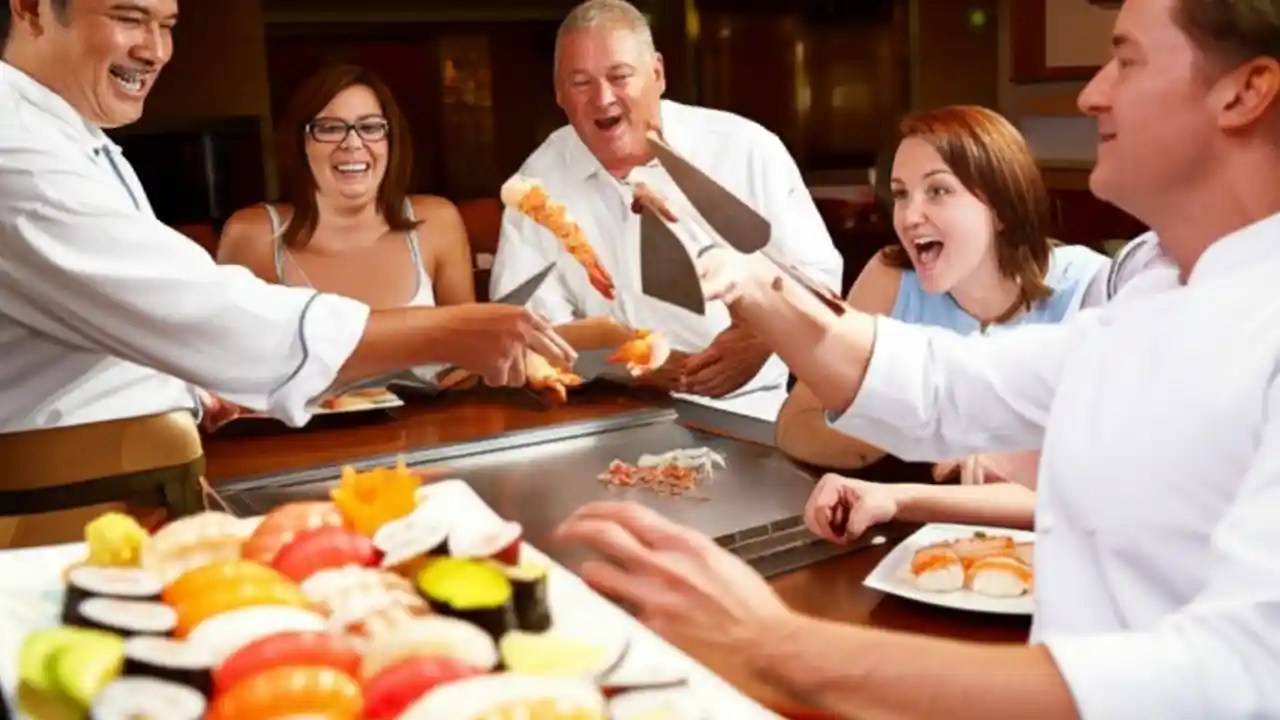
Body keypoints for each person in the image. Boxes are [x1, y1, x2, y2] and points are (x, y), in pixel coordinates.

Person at [554, 1, 1280, 717]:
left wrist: (776, 645)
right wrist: (749, 281)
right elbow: (943, 385)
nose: (1094, 92)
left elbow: (1240, 671)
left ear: (1245, 91)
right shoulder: (1154, 279)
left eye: (1126, 59)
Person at [0, 0, 572, 548]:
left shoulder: (69, 136)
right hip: (56, 514)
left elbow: (121, 318)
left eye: (166, 24)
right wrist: (447, 330)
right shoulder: (16, 148)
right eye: (129, 19)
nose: (155, 50)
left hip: (120, 496)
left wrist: (188, 384)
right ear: (29, 8)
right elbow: (207, 314)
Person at [489, 0, 843, 421]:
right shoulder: (538, 183)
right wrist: (622, 362)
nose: (603, 99)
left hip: (756, 413)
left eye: (619, 76)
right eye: (580, 82)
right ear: (559, 93)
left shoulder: (746, 149)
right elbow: (528, 334)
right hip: (609, 414)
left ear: (657, 73)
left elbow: (821, 281)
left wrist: (761, 338)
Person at [776, 105, 1110, 488]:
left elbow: (1111, 467)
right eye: (901, 194)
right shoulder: (890, 277)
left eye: (938, 191)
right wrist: (920, 432)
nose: (909, 216)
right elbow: (796, 425)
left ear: (1000, 208)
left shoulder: (1090, 287)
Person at [218, 63, 474, 313]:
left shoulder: (437, 222)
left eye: (370, 127)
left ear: (390, 141)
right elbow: (226, 352)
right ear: (300, 143)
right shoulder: (253, 236)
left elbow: (475, 347)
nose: (352, 143)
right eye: (330, 128)